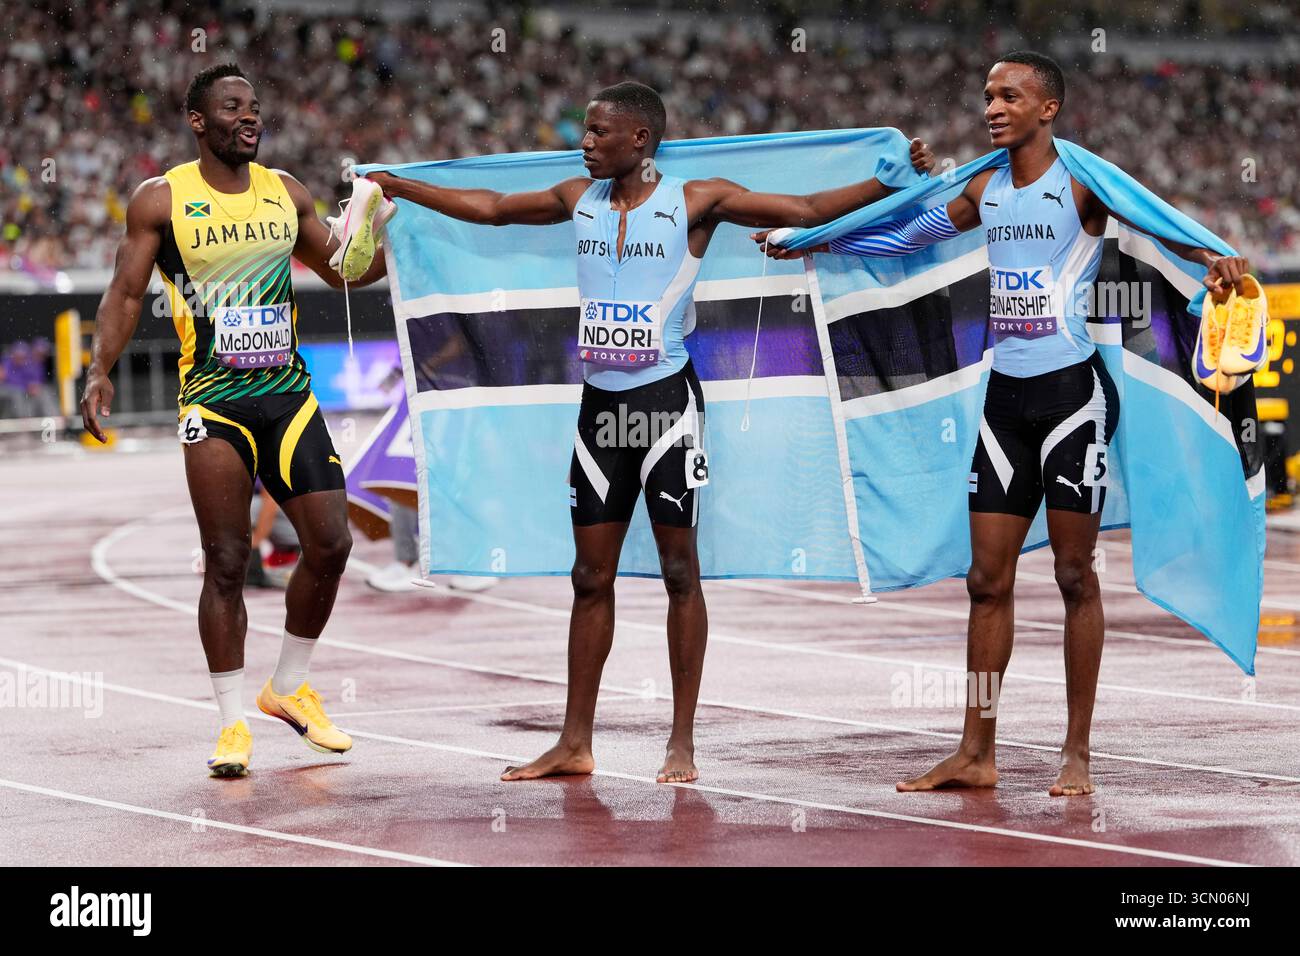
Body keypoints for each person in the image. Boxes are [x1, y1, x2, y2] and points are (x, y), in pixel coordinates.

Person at [366, 81, 935, 783]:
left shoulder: (697, 200)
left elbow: (809, 210)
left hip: (667, 408)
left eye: (599, 132)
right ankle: (574, 741)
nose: (584, 142)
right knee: (588, 577)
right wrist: (400, 184)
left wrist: (890, 178)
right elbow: (488, 210)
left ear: (640, 139)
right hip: (600, 412)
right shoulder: (577, 198)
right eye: (585, 130)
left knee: (677, 572)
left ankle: (682, 741)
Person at [758, 51, 1249, 796]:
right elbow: (905, 233)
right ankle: (976, 749)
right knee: (987, 581)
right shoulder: (983, 185)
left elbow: (1155, 218)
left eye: (1009, 96)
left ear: (1047, 108)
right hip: (1006, 402)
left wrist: (1213, 257)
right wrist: (813, 239)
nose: (992, 107)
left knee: (1074, 573)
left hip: (1072, 401)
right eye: (987, 95)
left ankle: (1076, 749)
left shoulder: (1082, 183)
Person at [79, 62, 390, 777]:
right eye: (233, 108)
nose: (250, 118)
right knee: (225, 559)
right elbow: (126, 294)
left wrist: (378, 224)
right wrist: (100, 370)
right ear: (199, 121)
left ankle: (288, 688)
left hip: (288, 395)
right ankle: (230, 727)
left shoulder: (286, 193)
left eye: (254, 107)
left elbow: (346, 271)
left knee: (333, 543)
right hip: (213, 401)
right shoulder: (161, 200)